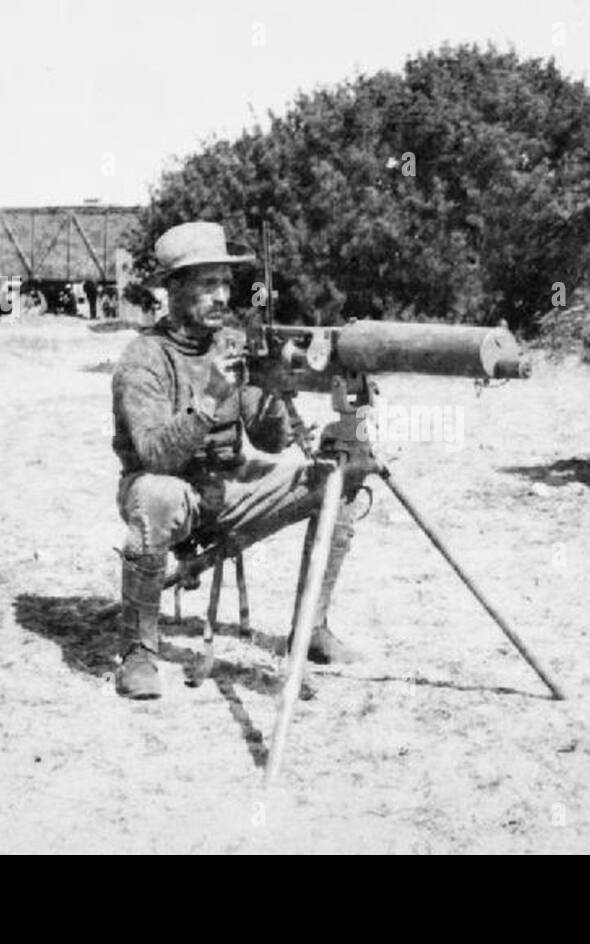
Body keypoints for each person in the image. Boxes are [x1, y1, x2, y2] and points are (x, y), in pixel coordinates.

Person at [110, 221, 359, 700]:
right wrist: (209, 398)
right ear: (174, 290)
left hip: (228, 487)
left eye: (226, 283)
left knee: (339, 481)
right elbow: (156, 456)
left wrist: (273, 390)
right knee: (155, 495)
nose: (222, 295)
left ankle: (311, 628)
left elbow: (267, 441)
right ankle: (139, 652)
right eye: (208, 284)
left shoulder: (229, 344)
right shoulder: (144, 358)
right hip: (171, 492)